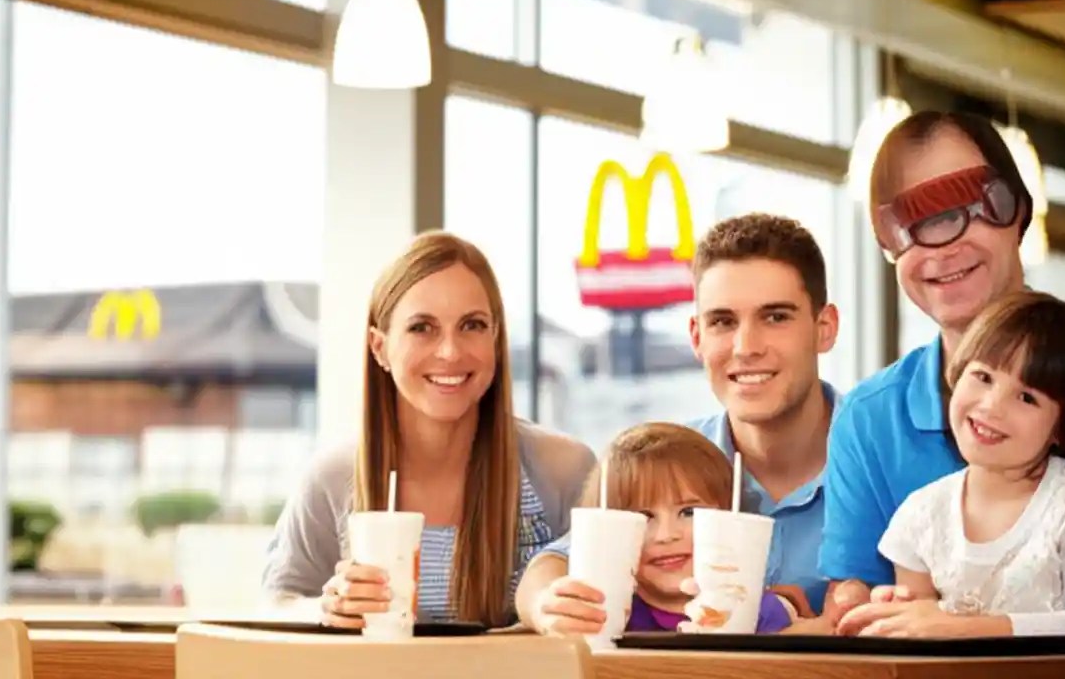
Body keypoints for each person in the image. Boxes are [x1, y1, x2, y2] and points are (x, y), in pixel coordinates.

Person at [818, 110, 1065, 651]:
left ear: (1017, 212)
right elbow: (853, 621)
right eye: (910, 225)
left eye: (965, 209)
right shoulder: (866, 422)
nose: (941, 244)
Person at [515, 212, 842, 634]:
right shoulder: (670, 456)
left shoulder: (885, 456)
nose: (746, 348)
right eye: (723, 322)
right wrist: (548, 603)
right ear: (696, 336)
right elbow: (554, 562)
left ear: (824, 328)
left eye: (775, 317)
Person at [262, 231, 595, 628]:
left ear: (496, 339)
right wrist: (326, 608)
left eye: (472, 325)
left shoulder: (563, 470)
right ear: (379, 347)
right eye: (422, 327)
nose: (450, 352)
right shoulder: (332, 478)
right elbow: (277, 604)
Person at [836, 291, 1065, 652]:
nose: (991, 406)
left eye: (1027, 397)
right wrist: (899, 615)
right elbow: (919, 642)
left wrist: (959, 628)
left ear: (1063, 427)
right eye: (983, 376)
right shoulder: (921, 514)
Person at [581, 422, 794, 634]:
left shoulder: (764, 614)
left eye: (689, 512)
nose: (666, 535)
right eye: (644, 516)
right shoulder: (600, 617)